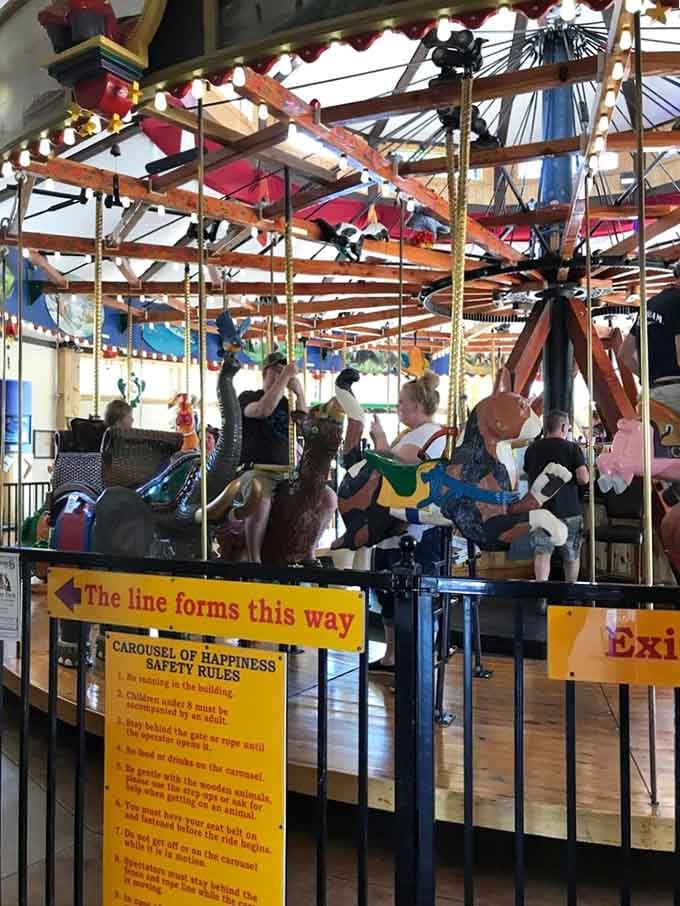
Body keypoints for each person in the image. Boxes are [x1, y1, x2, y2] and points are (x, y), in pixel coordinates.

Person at [368, 370, 447, 675]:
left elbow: (400, 463)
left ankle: (419, 654)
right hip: (393, 520)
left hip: (416, 524)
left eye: (402, 402)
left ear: (417, 405)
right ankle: (391, 656)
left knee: (414, 594)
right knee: (387, 593)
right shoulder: (409, 434)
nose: (398, 407)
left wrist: (380, 440)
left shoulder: (432, 433)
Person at [238, 351, 308, 562]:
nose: (281, 374)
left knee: (326, 499)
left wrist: (300, 394)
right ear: (265, 372)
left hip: (287, 473)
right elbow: (263, 410)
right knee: (261, 499)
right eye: (276, 370)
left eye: (283, 371)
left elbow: (304, 427)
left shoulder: (288, 404)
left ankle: (308, 553)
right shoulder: (248, 397)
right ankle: (255, 561)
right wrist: (285, 377)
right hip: (258, 470)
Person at [524, 409, 589, 588]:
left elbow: (528, 473)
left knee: (542, 554)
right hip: (569, 509)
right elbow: (583, 478)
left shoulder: (532, 449)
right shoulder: (572, 448)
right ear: (563, 427)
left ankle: (541, 595)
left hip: (541, 510)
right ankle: (570, 594)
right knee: (571, 556)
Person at [619, 263, 680, 412]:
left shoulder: (650, 304)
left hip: (650, 395)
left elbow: (624, 354)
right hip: (675, 396)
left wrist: (650, 377)